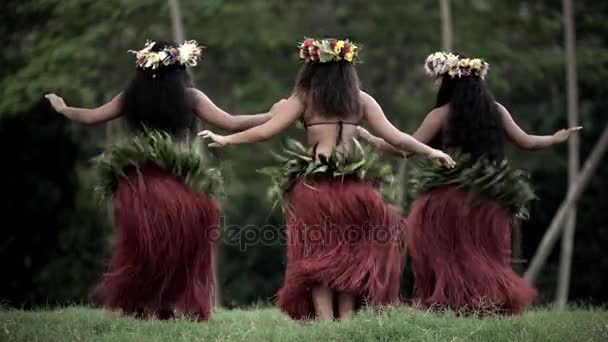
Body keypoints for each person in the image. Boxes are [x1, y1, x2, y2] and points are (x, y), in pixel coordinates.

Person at [199, 38, 455, 321]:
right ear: (349, 69)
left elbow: (266, 131)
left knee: (317, 254)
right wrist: (431, 151)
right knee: (348, 255)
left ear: (311, 68)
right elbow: (396, 137)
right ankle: (344, 322)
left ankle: (325, 322)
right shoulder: (361, 99)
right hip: (355, 189)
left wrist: (226, 139)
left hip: (315, 187)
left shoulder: (306, 98)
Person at [45, 40, 274, 320]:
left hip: (140, 184)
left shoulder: (131, 96)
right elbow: (232, 122)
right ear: (180, 67)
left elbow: (92, 117)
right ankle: (167, 307)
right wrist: (272, 114)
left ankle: (142, 307)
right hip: (182, 183)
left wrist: (64, 108)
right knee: (182, 248)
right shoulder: (191, 97)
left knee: (144, 250)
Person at [404, 51, 581, 314]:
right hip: (488, 198)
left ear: (449, 83)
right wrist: (555, 138)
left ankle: (450, 305)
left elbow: (408, 146)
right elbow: (527, 142)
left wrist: (375, 139)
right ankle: (487, 305)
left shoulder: (441, 115)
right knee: (484, 254)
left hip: (447, 198)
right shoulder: (496, 111)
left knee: (447, 254)